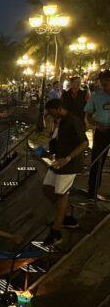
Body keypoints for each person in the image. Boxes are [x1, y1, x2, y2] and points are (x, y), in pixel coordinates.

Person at [44, 98, 88, 243]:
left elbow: (84, 143)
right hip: (59, 161)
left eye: (52, 113)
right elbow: (54, 140)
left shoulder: (73, 121)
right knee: (47, 188)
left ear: (59, 109)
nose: (51, 116)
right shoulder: (60, 121)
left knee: (61, 194)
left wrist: (68, 158)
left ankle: (56, 232)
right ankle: (66, 215)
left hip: (69, 164)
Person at [84, 69, 110, 201]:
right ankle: (92, 191)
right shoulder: (96, 96)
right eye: (103, 84)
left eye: (107, 84)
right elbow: (88, 115)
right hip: (101, 131)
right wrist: (97, 124)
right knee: (97, 160)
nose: (106, 87)